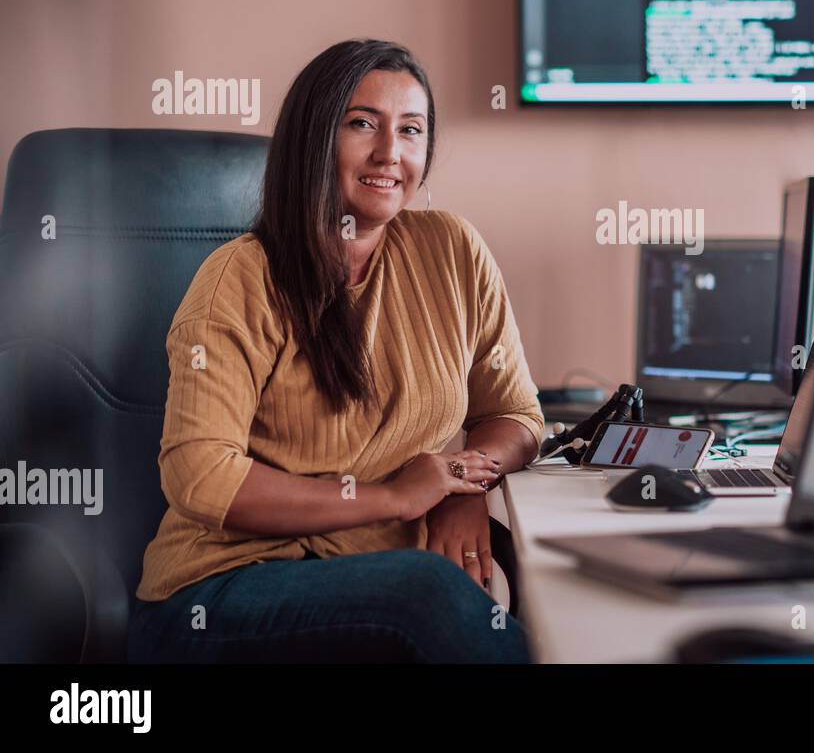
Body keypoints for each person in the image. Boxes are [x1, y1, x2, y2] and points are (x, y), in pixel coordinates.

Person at [127, 39, 543, 662]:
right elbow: (201, 477)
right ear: (313, 139)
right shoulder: (239, 280)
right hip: (219, 591)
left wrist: (462, 486)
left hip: (381, 573)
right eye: (362, 125)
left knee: (535, 573)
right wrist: (396, 498)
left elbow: (518, 416)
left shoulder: (452, 251)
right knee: (429, 595)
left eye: (411, 130)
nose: (389, 154)